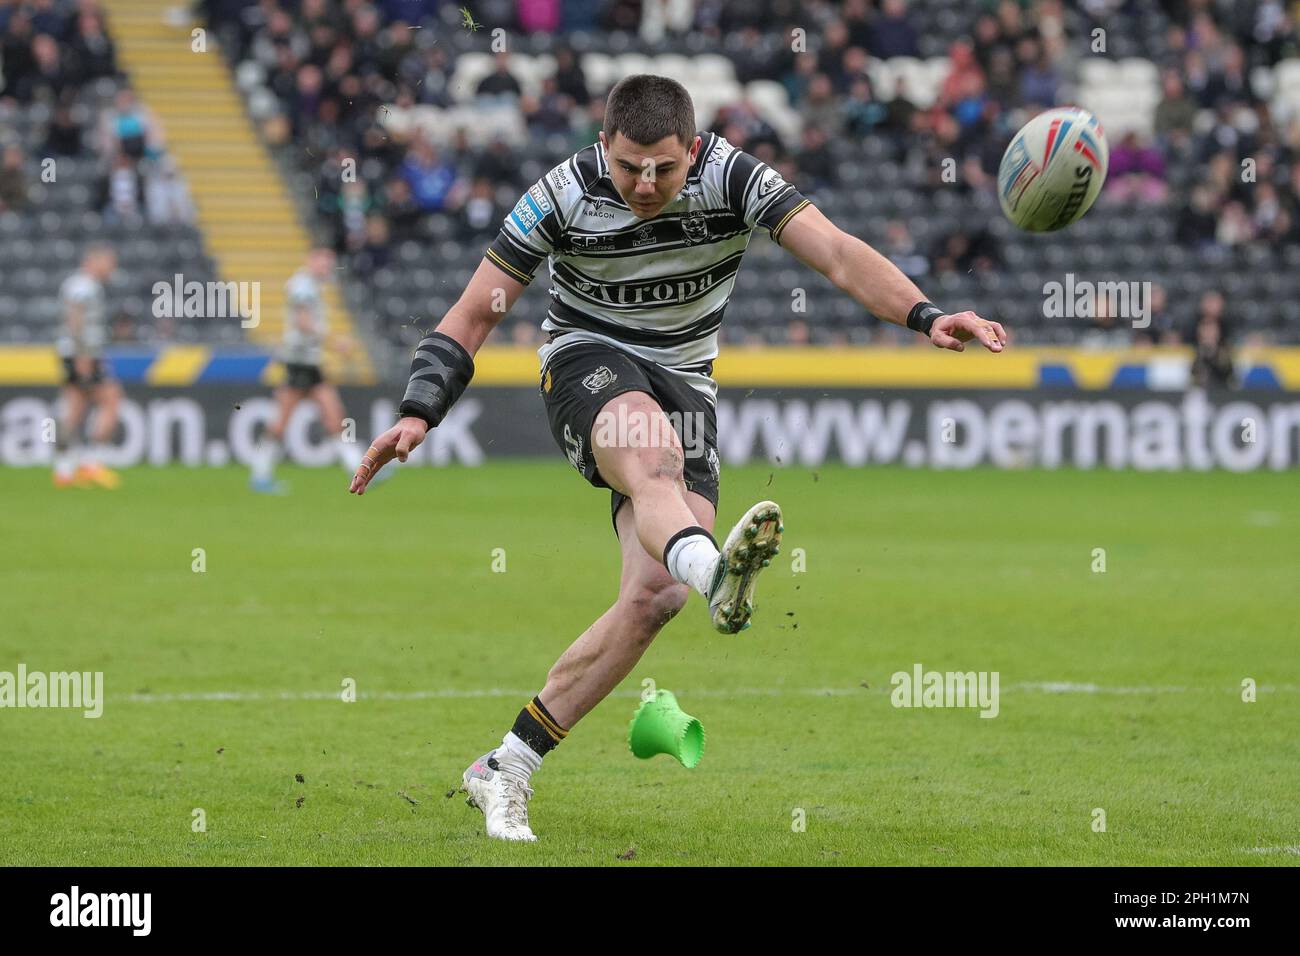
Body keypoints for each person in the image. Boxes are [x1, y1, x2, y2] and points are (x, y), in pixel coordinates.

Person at [348, 75, 1007, 842]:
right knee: (650, 456)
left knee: (654, 596)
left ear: (692, 151)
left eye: (665, 167)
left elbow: (833, 252)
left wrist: (924, 315)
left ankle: (506, 765)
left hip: (687, 382)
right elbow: (471, 313)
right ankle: (716, 572)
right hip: (586, 363)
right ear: (605, 149)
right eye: (630, 168)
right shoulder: (562, 192)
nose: (647, 184)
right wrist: (418, 411)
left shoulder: (734, 177)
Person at [250, 248, 365, 492]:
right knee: (285, 420)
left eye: (329, 264)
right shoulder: (303, 286)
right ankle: (260, 474)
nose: (327, 269)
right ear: (311, 261)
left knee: (332, 414)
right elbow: (303, 324)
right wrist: (336, 343)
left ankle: (359, 468)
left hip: (307, 362)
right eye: (324, 263)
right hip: (300, 361)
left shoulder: (308, 285)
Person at [53, 246, 123, 489]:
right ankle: (91, 464)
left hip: (73, 352)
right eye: (108, 262)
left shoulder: (76, 283)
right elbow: (76, 319)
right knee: (111, 399)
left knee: (74, 407)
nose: (111, 269)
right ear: (93, 261)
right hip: (83, 354)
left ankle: (63, 470)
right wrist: (83, 355)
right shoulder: (85, 285)